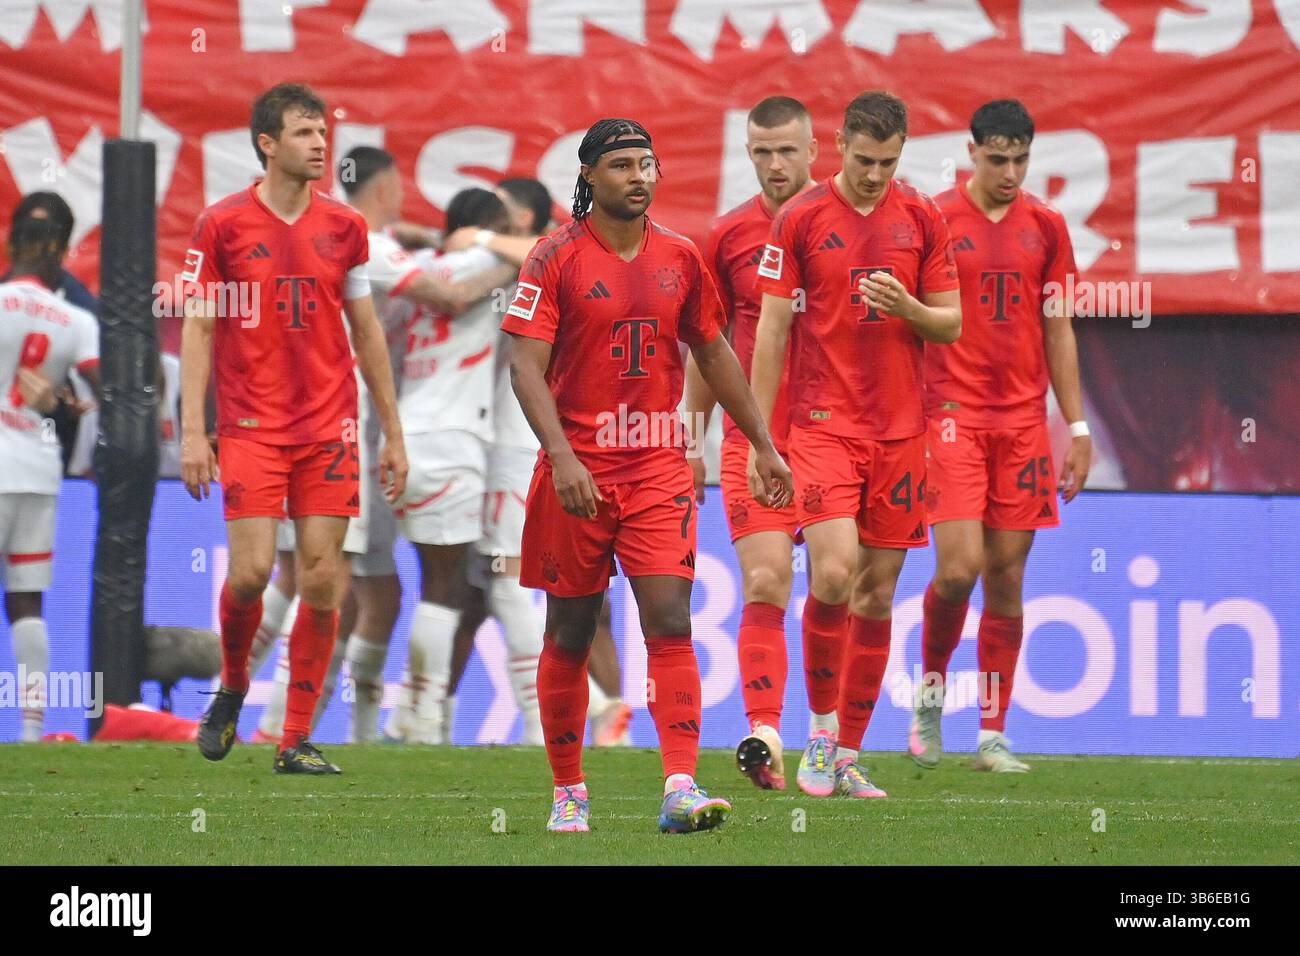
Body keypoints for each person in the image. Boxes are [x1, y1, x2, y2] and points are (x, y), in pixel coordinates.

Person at [504, 118, 792, 833]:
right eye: (625, 165)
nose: (641, 177)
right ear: (591, 177)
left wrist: (761, 441)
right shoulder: (553, 256)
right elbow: (523, 367)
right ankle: (569, 790)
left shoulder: (681, 257)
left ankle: (680, 785)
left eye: (648, 164)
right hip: (578, 472)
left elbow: (715, 352)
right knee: (569, 633)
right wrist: (564, 457)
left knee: (669, 619)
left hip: (658, 465)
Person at [179, 82, 408, 774]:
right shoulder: (221, 225)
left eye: (322, 133)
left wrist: (392, 432)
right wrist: (194, 431)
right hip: (250, 426)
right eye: (305, 134)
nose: (319, 145)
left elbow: (366, 331)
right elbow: (198, 325)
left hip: (330, 427)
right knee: (250, 574)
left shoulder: (345, 229)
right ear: (267, 144)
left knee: (322, 581)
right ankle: (235, 683)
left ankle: (295, 738)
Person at [749, 91, 961, 799]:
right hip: (823, 427)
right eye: (864, 160)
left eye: (888, 162)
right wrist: (759, 437)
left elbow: (951, 325)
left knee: (877, 595)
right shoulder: (801, 218)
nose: (874, 175)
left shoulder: (922, 215)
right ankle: (817, 732)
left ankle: (846, 755)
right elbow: (772, 329)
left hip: (901, 434)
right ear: (839, 145)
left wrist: (910, 309)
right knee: (834, 575)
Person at [915, 99, 1087, 772]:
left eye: (1021, 158)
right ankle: (929, 697)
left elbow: (1059, 330)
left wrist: (1074, 426)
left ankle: (991, 732)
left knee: (1008, 581)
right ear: (972, 150)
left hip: (1022, 422)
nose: (1010, 171)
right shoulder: (933, 218)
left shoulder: (1045, 226)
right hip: (952, 415)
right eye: (997, 158)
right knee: (959, 569)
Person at [682, 95, 817, 790]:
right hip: (752, 438)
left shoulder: (843, 228)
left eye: (786, 150)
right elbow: (709, 345)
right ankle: (766, 731)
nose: (774, 165)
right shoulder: (726, 236)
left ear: (814, 150)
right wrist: (692, 435)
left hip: (836, 435)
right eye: (761, 152)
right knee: (766, 579)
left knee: (844, 590)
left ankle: (832, 745)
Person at [383, 187, 513, 744]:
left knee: (433, 580)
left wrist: (439, 236)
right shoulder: (491, 259)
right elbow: (548, 249)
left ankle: (410, 712)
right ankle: (427, 719)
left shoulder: (416, 264)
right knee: (446, 586)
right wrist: (491, 241)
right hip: (453, 437)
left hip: (406, 433)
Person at [0, 207, 100, 741]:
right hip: (38, 468)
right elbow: (107, 390)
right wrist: (64, 403)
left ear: (13, 246)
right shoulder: (76, 320)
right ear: (58, 250)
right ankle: (32, 730)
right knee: (26, 600)